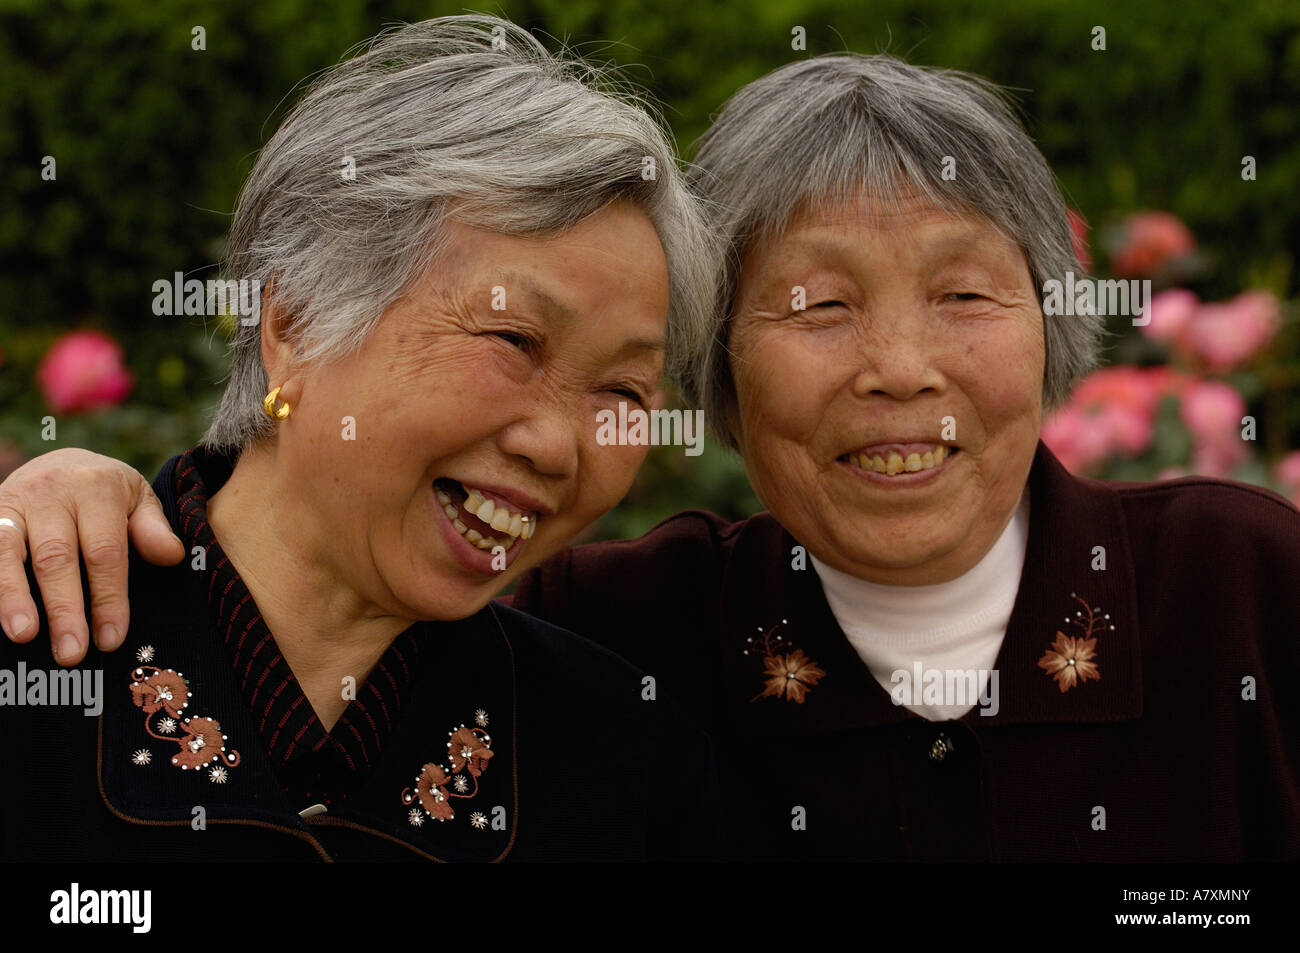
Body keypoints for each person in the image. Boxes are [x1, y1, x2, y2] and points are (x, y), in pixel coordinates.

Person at [5, 53, 1298, 862]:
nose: (901, 367)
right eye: (819, 306)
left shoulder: (1250, 588)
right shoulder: (631, 642)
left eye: (966, 295)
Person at [0, 15, 724, 862]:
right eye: (515, 341)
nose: (560, 446)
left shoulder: (629, 764)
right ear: (296, 323)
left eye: (624, 389)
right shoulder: (31, 650)